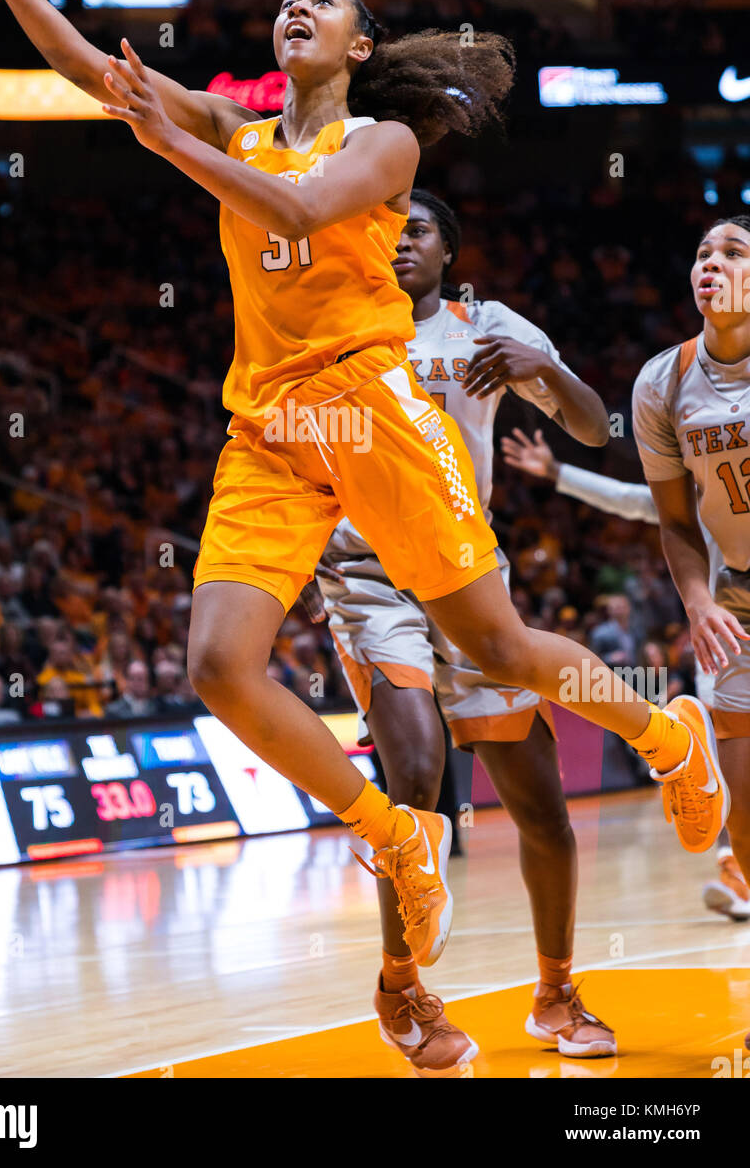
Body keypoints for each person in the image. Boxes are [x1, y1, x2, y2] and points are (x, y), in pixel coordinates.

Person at [0, 0, 728, 973]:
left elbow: (297, 214)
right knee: (218, 665)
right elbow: (79, 67)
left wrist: (171, 142)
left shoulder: (383, 144)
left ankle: (663, 731)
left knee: (493, 642)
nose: (296, 6)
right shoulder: (232, 126)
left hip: (372, 404)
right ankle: (392, 832)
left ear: (359, 47)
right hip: (268, 426)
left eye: (322, 1)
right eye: (289, 0)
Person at [315, 190, 616, 1072]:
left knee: (541, 808)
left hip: (468, 572)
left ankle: (556, 993)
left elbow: (593, 428)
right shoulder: (338, 322)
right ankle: (402, 991)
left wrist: (541, 366)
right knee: (415, 779)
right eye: (386, 229)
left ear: (449, 251)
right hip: (370, 577)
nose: (398, 242)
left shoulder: (484, 327)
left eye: (416, 230)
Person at [504, 410, 750, 927]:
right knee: (728, 764)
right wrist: (556, 472)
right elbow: (624, 498)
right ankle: (735, 870)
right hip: (722, 642)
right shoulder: (688, 502)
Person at [632, 219, 750, 1043]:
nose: (712, 263)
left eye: (734, 252)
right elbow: (674, 521)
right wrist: (699, 602)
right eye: (704, 253)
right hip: (736, 598)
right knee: (746, 821)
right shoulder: (663, 382)